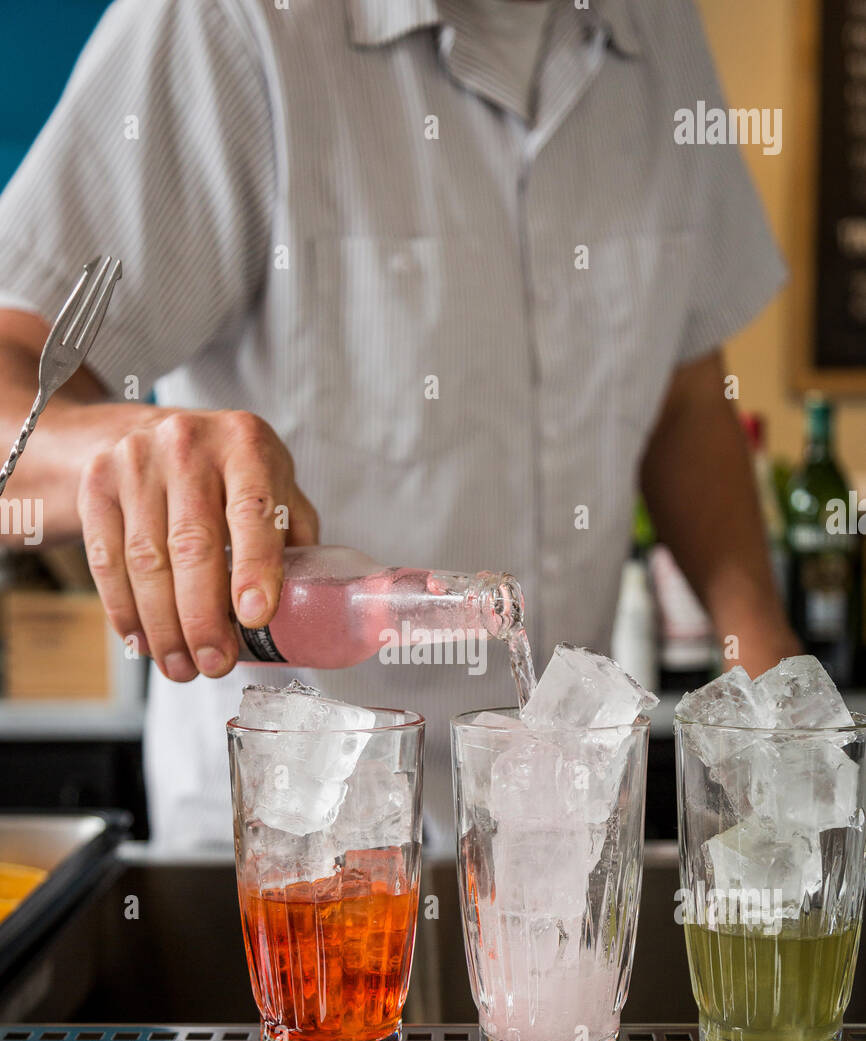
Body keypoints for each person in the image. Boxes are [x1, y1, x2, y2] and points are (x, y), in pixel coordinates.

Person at [0, 0, 797, 850]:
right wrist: (128, 453)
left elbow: (680, 385)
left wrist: (774, 684)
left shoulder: (659, 26)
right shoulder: (223, 23)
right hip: (299, 866)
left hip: (559, 853)